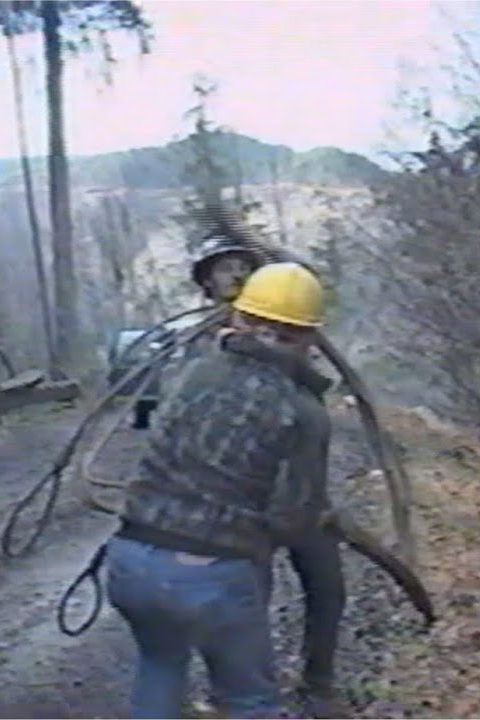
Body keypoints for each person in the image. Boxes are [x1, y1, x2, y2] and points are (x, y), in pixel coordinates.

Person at [108, 262, 333, 719]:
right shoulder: (302, 409)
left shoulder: (189, 372)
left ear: (236, 316)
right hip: (211, 575)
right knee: (249, 701)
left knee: (160, 665)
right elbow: (293, 518)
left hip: (130, 561)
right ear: (309, 337)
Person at [189, 240, 349, 718]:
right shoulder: (203, 345)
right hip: (239, 504)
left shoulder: (286, 326)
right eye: (224, 269)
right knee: (239, 602)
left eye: (243, 266)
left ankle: (318, 686)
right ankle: (234, 695)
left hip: (303, 495)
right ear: (207, 282)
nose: (235, 275)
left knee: (328, 587)